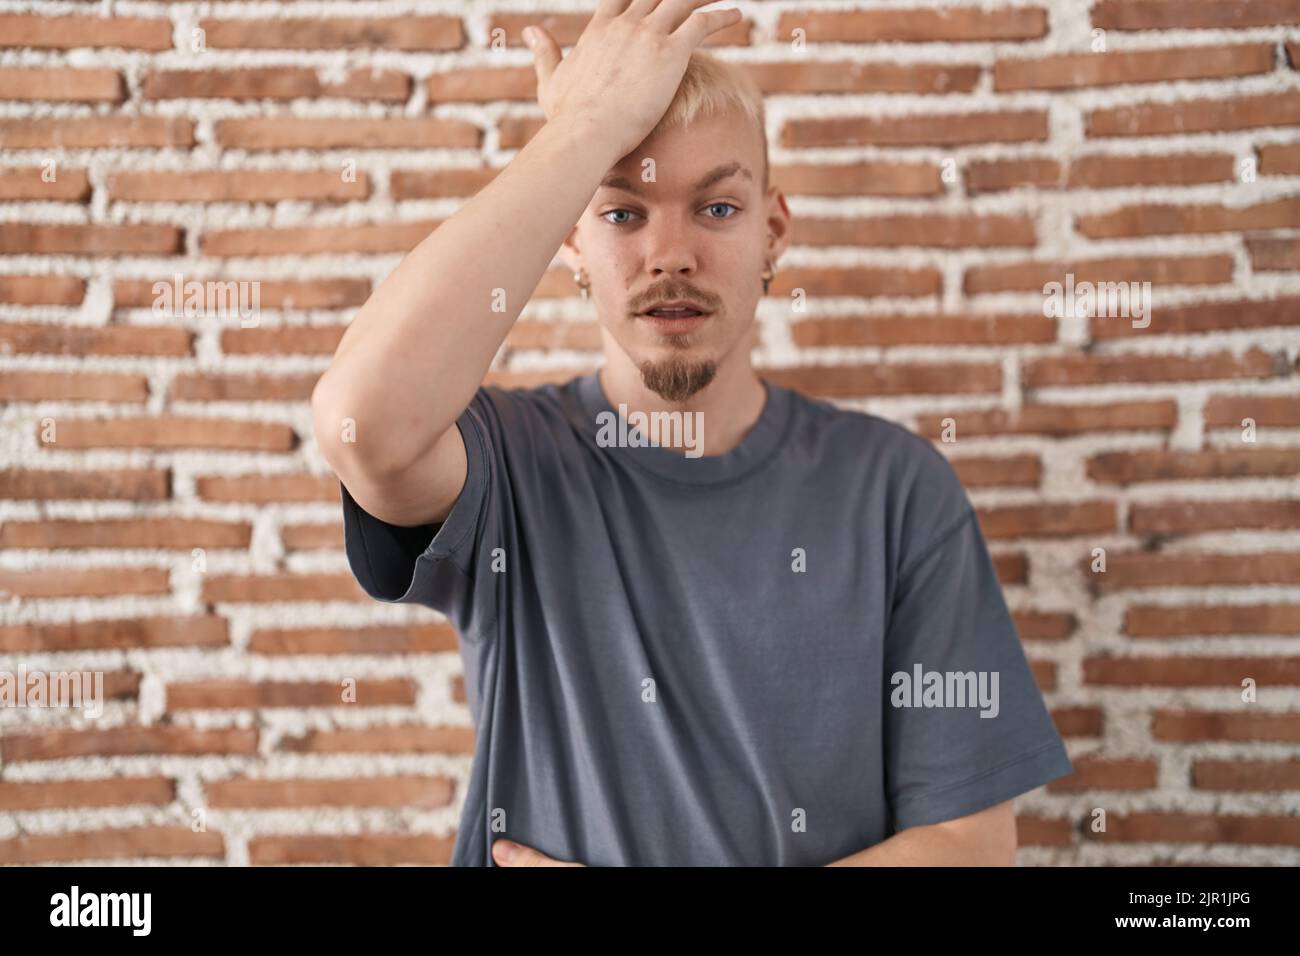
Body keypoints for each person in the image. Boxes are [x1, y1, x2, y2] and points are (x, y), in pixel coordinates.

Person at [312, 0, 1072, 867]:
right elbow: (362, 423)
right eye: (622, 213)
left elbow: (970, 847)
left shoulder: (895, 488)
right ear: (569, 241)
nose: (670, 253)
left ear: (772, 233)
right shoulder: (507, 465)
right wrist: (585, 130)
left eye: (715, 209)